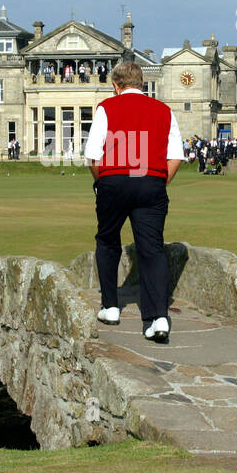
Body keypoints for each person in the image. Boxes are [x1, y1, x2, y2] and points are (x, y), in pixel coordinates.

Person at [84, 60, 184, 343]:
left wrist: (100, 181)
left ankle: (111, 306)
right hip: (151, 180)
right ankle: (158, 317)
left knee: (107, 240)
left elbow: (93, 155)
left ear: (116, 85)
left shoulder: (107, 107)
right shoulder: (163, 110)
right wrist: (157, 182)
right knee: (152, 249)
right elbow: (175, 156)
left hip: (113, 180)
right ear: (141, 84)